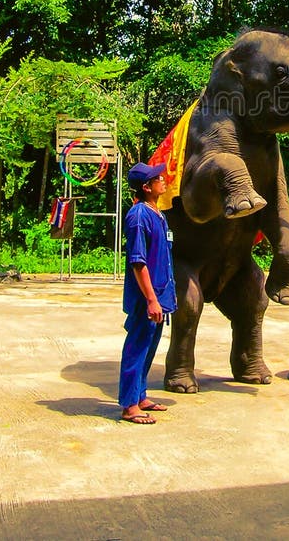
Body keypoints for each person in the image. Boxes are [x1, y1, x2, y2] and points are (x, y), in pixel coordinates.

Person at [118, 162, 177, 424]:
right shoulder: (139, 215)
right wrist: (151, 299)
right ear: (146, 187)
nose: (163, 180)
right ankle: (129, 406)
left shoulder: (157, 213)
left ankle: (140, 396)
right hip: (147, 297)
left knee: (149, 346)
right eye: (157, 178)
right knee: (137, 346)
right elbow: (138, 262)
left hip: (160, 294)